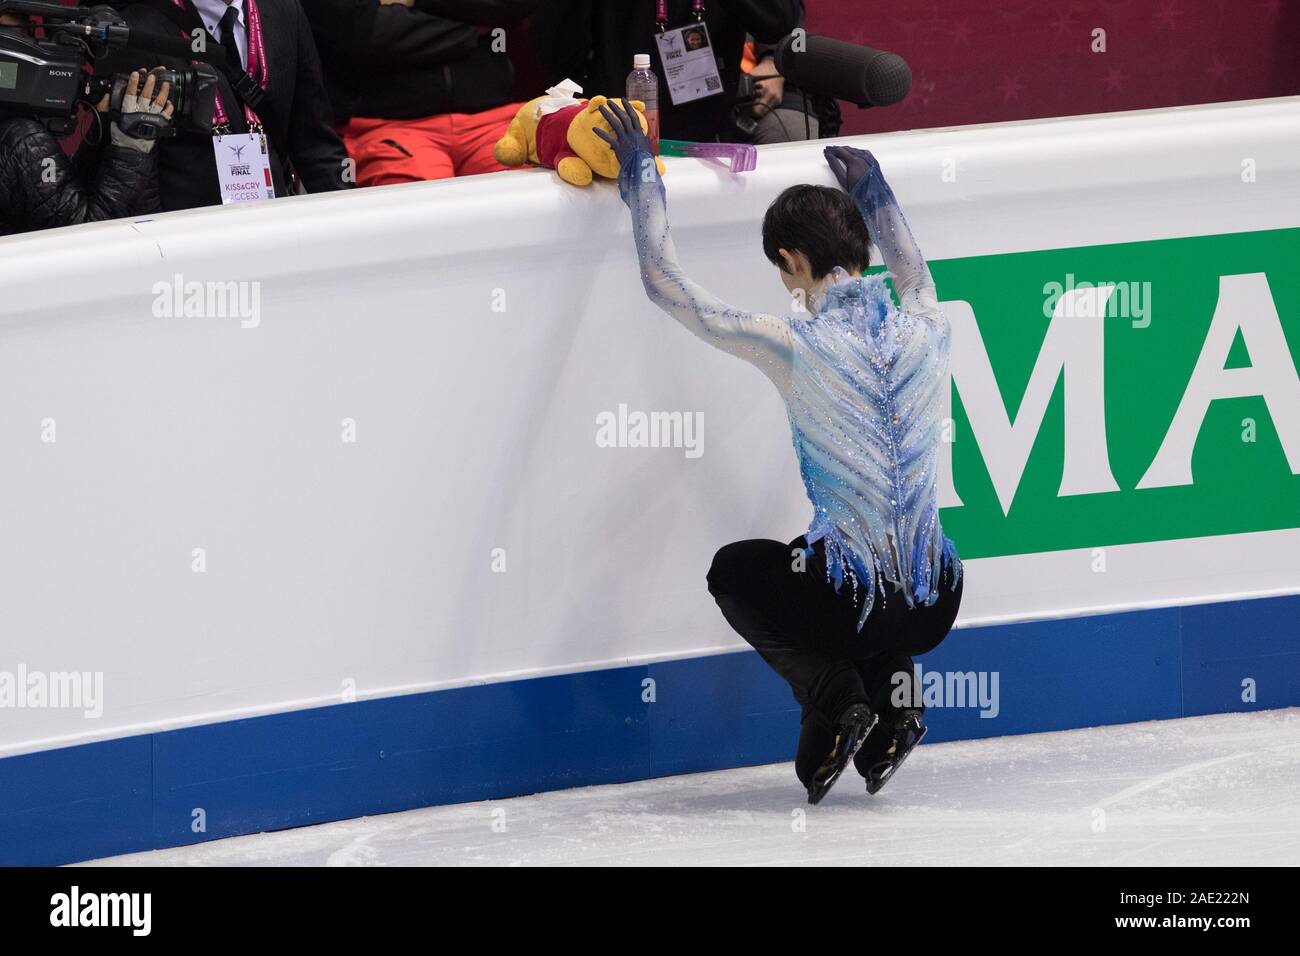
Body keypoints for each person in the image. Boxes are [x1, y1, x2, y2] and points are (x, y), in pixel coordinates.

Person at [596, 100, 963, 804]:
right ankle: (898, 696)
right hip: (936, 600)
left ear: (795, 261)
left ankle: (835, 695)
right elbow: (915, 277)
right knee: (835, 559)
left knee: (737, 572)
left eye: (784, 272)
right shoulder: (927, 324)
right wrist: (876, 192)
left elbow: (668, 288)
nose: (787, 288)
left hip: (848, 604)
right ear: (859, 252)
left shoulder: (795, 343)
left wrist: (643, 183)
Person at [97, 0, 352, 210]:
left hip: (277, 228)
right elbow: (136, 178)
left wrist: (352, 223)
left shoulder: (284, 10)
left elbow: (315, 143)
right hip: (194, 242)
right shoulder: (137, 31)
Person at [305, 0, 536, 185]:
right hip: (387, 126)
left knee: (530, 203)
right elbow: (364, 32)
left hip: (492, 116)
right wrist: (471, 30)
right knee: (423, 222)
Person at [0, 9, 174, 235]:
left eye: (28, 33)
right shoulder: (22, 140)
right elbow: (90, 241)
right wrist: (132, 146)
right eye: (17, 35)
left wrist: (106, 132)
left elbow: (59, 204)